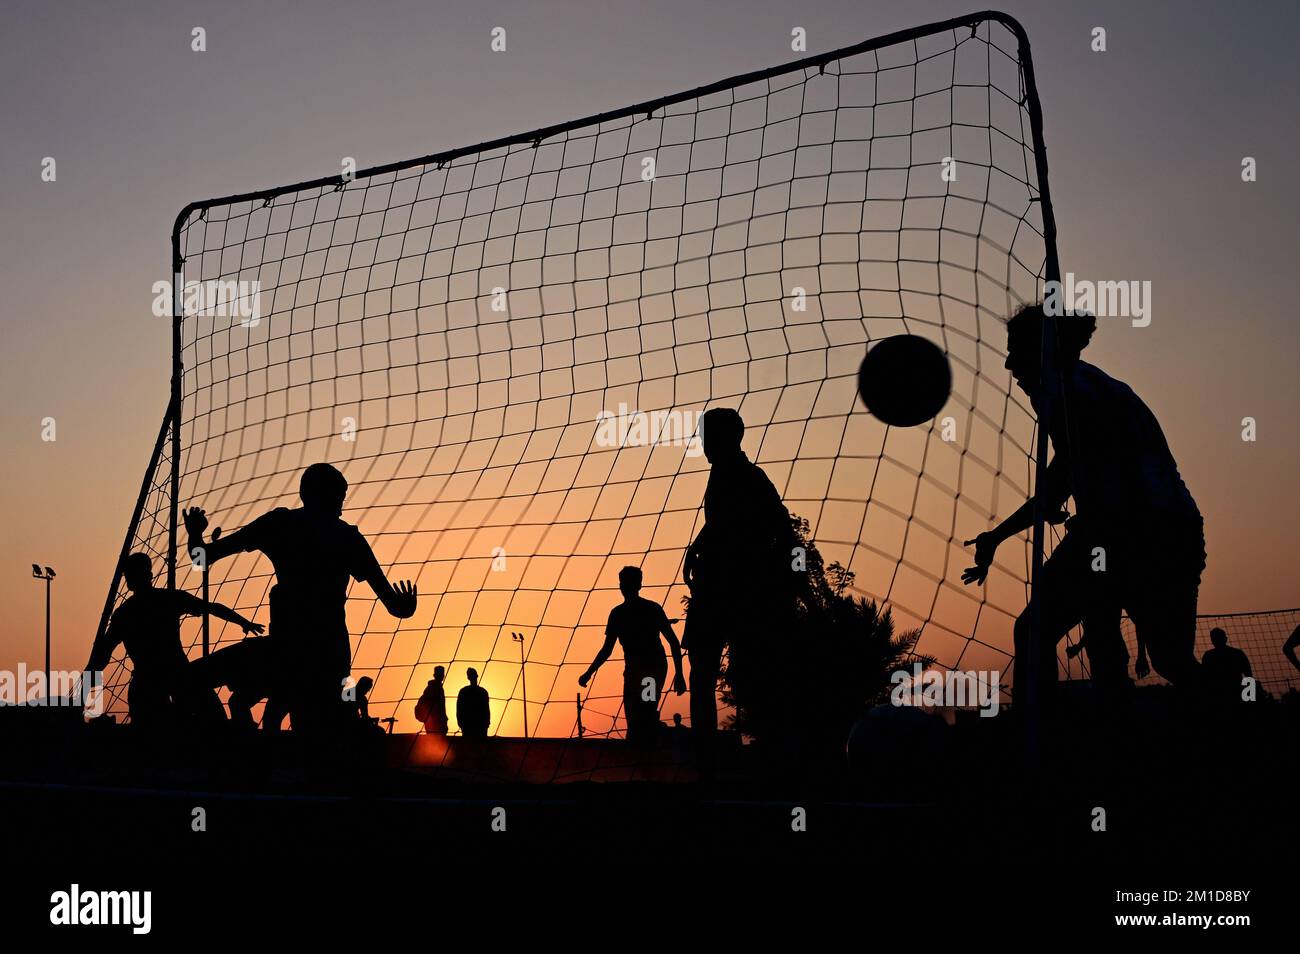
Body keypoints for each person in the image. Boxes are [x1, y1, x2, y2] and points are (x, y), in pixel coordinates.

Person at [962, 305, 1204, 708]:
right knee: (1158, 658)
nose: (1007, 364)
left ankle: (1038, 749)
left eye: (1015, 352)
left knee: (1040, 632)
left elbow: (1062, 481)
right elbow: (1074, 472)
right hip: (1157, 531)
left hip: (1138, 534)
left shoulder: (1069, 393)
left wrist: (999, 534)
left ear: (1045, 351)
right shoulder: (1091, 386)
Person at [183, 463, 417, 736]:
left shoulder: (281, 524)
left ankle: (229, 749)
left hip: (290, 651)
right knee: (310, 735)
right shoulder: (344, 536)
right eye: (339, 498)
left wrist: (195, 535)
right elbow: (393, 605)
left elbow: (202, 558)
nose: (341, 507)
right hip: (324, 655)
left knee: (192, 681)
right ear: (320, 495)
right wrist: (405, 607)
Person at [681, 408, 797, 743]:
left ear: (729, 438)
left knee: (741, 672)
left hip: (739, 590)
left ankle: (767, 748)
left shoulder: (749, 476)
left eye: (708, 436)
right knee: (703, 669)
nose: (703, 443)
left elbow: (780, 524)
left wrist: (783, 579)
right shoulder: (722, 474)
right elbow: (725, 522)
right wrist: (699, 544)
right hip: (715, 587)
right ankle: (709, 750)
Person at [85, 553, 262, 729]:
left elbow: (102, 657)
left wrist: (80, 692)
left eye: (129, 573)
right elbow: (212, 608)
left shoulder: (127, 612)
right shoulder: (161, 601)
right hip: (173, 679)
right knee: (211, 720)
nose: (128, 577)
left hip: (155, 682)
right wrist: (243, 622)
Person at [580, 566, 686, 744]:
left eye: (627, 583)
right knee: (633, 715)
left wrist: (680, 674)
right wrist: (588, 673)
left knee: (647, 708)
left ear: (638, 585)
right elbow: (607, 649)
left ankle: (652, 747)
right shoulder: (617, 614)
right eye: (622, 583)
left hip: (652, 671)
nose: (624, 587)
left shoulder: (651, 609)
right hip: (633, 671)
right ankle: (641, 751)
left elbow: (674, 642)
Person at [1201, 627, 1252, 705]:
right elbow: (1249, 676)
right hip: (1230, 694)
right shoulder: (1237, 654)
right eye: (1215, 638)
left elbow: (1204, 677)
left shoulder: (1208, 656)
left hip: (1219, 695)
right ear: (1225, 639)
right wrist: (1250, 698)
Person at [456, 668, 491, 740]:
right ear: (477, 675)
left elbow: (459, 709)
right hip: (475, 726)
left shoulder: (463, 691)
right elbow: (486, 710)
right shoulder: (482, 691)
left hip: (471, 726)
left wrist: (460, 723)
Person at [415, 666, 449, 735]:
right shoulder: (434, 688)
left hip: (433, 723)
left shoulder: (433, 688)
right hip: (435, 723)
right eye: (441, 675)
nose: (442, 676)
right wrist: (443, 720)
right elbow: (440, 708)